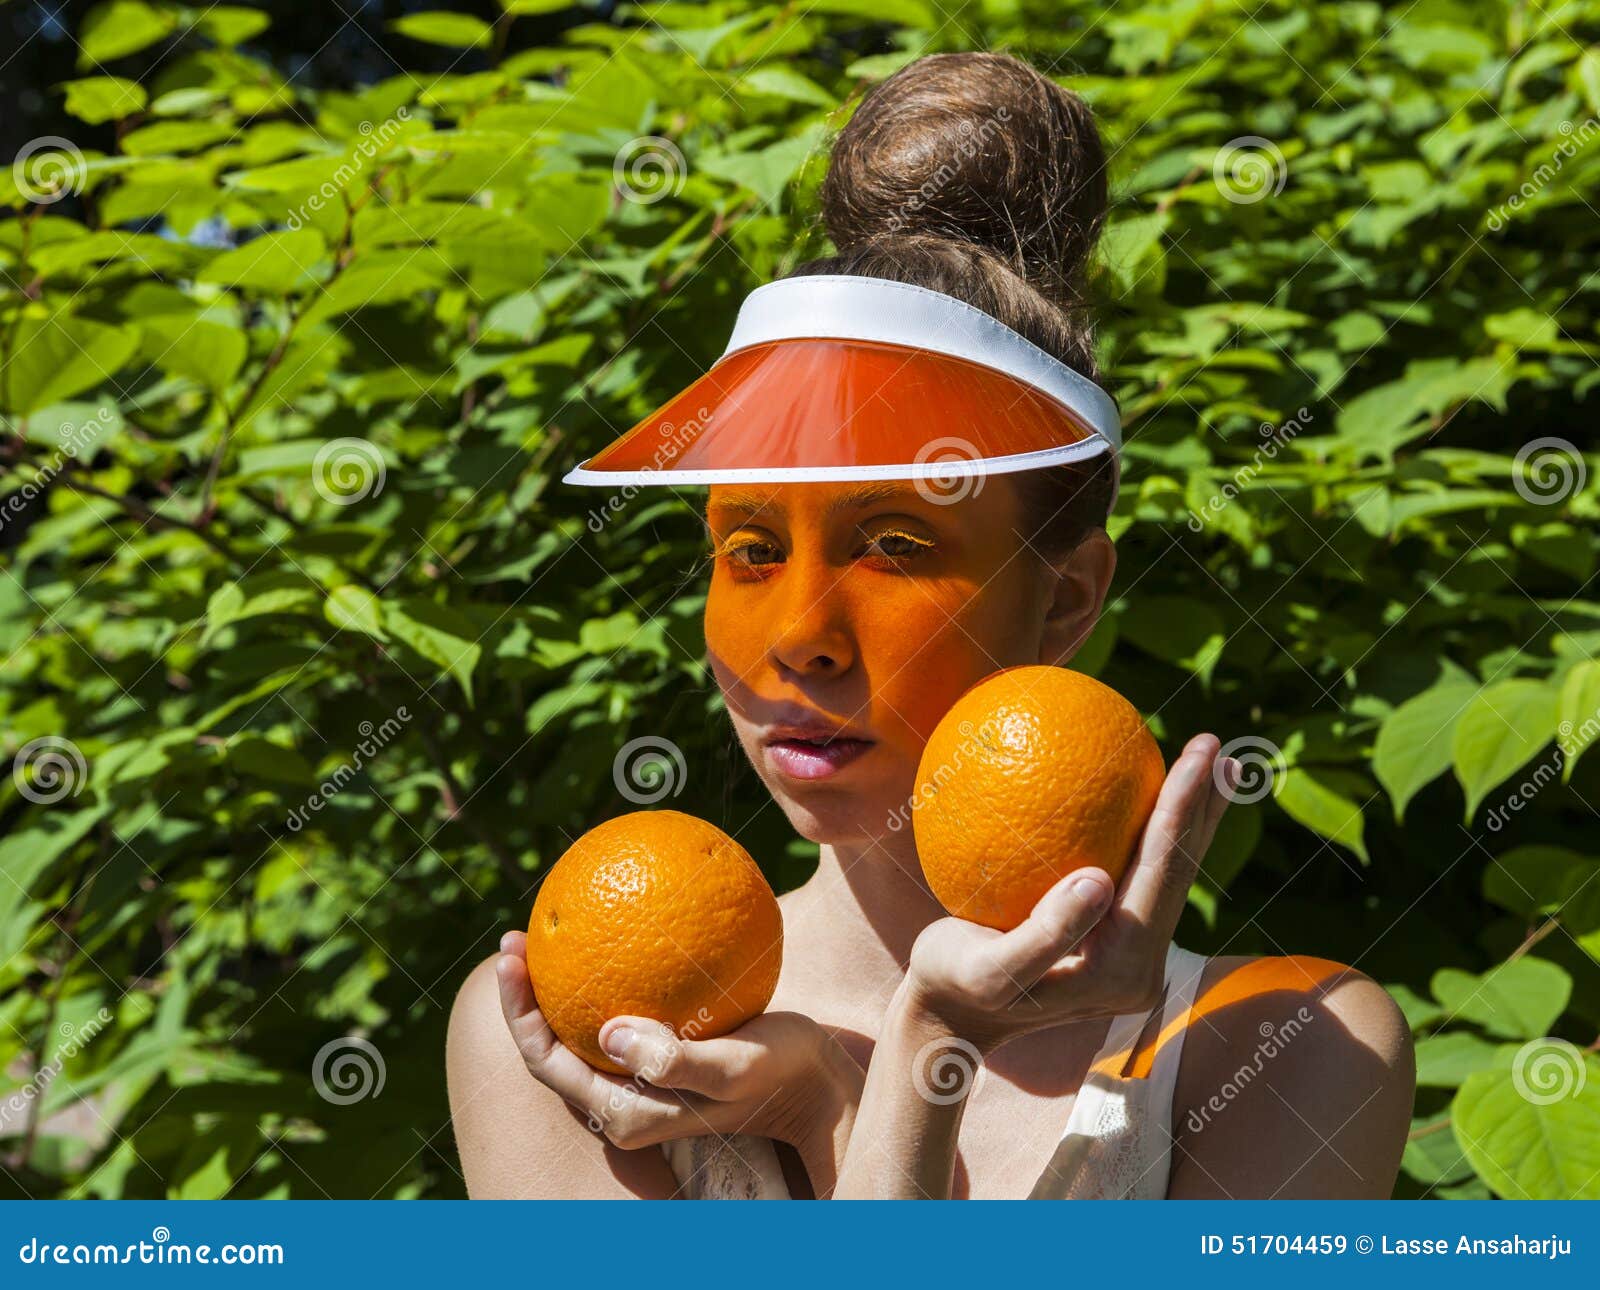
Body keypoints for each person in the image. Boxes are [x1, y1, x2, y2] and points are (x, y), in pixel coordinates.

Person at [446, 51, 1414, 1200]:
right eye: (751, 549)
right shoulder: (591, 1032)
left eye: (895, 546)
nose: (801, 636)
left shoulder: (1288, 1047)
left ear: (1066, 597)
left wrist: (905, 1066)